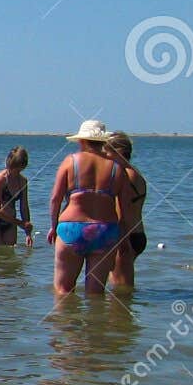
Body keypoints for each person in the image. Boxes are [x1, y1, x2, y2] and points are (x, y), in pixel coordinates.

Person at [48, 119, 125, 295]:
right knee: (96, 294)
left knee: (64, 290)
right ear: (104, 141)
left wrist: (53, 227)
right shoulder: (116, 167)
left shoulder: (70, 161)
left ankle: (65, 322)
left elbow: (55, 199)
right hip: (105, 231)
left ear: (82, 140)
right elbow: (125, 210)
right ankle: (95, 322)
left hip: (71, 228)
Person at [107, 132, 147, 290]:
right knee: (122, 291)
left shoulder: (124, 176)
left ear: (118, 151)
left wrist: (121, 244)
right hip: (137, 235)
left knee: (119, 293)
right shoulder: (136, 173)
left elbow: (120, 214)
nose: (103, 155)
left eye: (106, 151)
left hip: (125, 237)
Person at [0, 146, 33, 248]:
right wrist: (19, 223)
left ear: (23, 167)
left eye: (17, 169)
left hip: (11, 222)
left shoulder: (23, 181)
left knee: (10, 257)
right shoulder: (0, 180)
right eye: (11, 168)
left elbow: (24, 207)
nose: (13, 172)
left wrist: (27, 232)